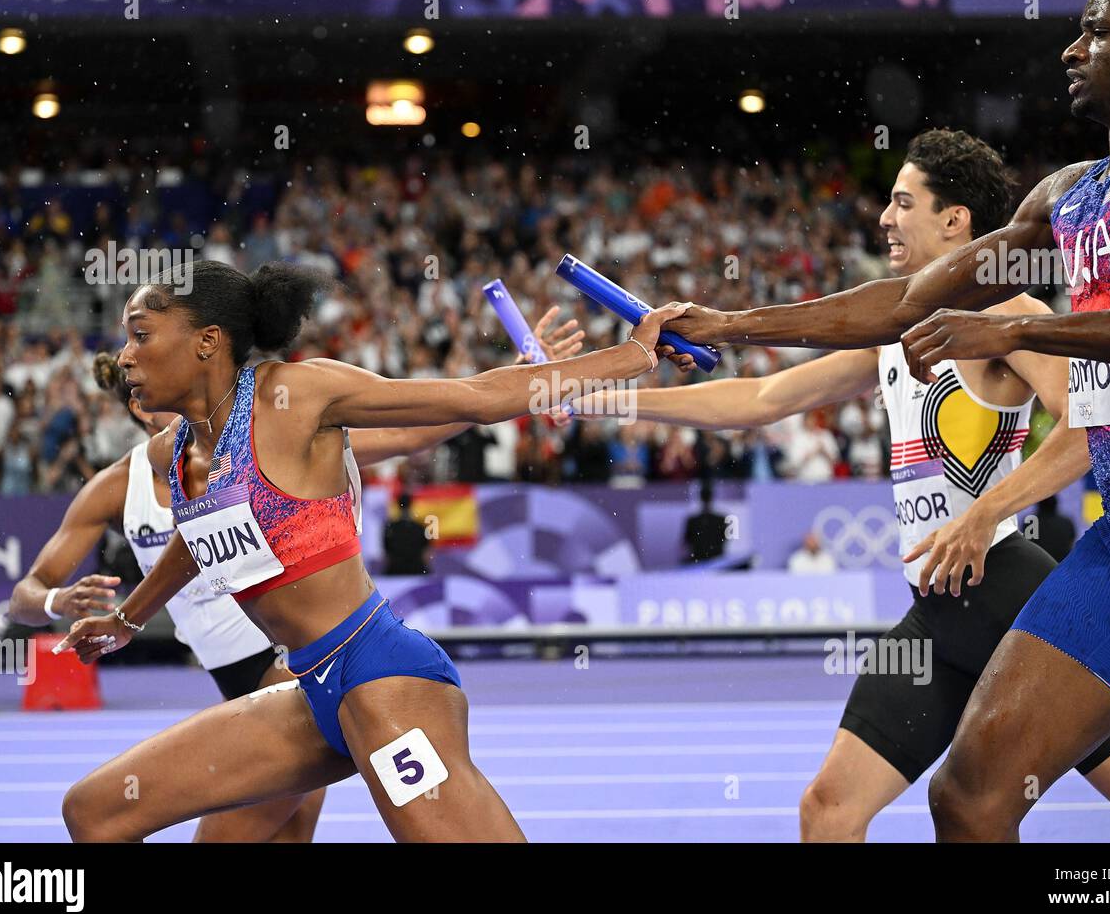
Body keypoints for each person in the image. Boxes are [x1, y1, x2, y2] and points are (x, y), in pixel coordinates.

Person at [663, 0, 1110, 841]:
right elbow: (903, 303)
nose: (1071, 46)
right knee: (969, 796)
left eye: (1096, 29)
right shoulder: (1066, 197)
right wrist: (729, 320)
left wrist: (1018, 332)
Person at [580, 128, 1110, 842]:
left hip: (1013, 600)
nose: (884, 218)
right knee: (829, 809)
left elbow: (1085, 433)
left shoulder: (1009, 313)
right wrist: (601, 396)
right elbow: (759, 402)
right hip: (936, 610)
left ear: (955, 220)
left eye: (902, 202)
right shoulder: (893, 329)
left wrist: (984, 514)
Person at [56, 260, 689, 842]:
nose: (125, 356)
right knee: (94, 811)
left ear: (207, 342)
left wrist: (631, 355)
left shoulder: (294, 396)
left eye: (140, 335)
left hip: (380, 675)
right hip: (307, 691)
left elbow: (474, 397)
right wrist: (127, 620)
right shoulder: (177, 451)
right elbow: (194, 540)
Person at [682, 479, 728, 563]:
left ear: (700, 498)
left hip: (700, 560)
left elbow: (687, 541)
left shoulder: (693, 521)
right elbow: (725, 539)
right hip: (715, 561)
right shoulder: (721, 520)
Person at [383, 492, 430, 575]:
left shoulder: (391, 528)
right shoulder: (419, 527)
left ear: (397, 506)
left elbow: (387, 553)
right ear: (411, 505)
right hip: (417, 570)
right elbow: (426, 553)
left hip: (395, 571)